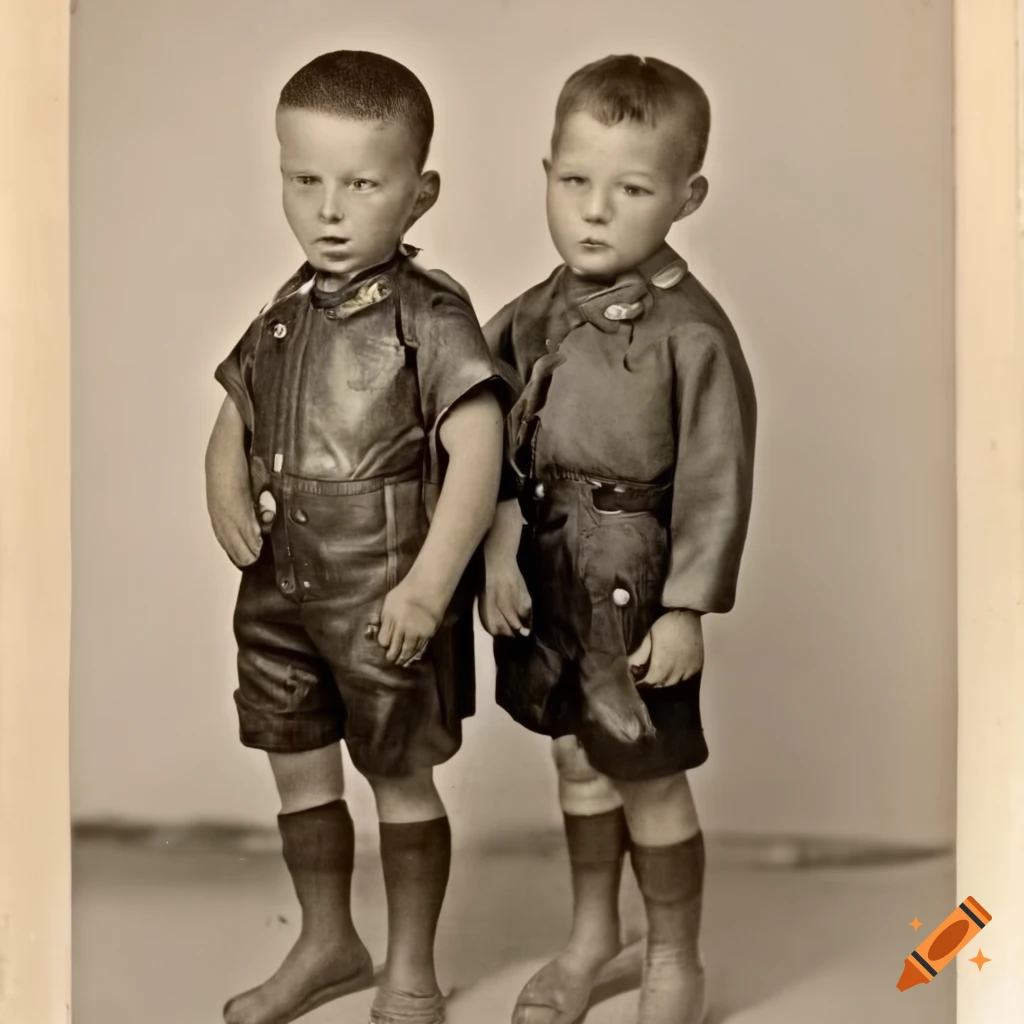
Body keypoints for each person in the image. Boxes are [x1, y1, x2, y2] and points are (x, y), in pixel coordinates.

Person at [205, 49, 507, 1024]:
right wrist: (221, 482)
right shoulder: (286, 309)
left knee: (397, 774)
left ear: (420, 193)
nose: (328, 211)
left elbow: (479, 451)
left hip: (385, 596)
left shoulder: (430, 315)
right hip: (280, 593)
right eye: (304, 181)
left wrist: (428, 588)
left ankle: (410, 964)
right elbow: (236, 412)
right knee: (296, 761)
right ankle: (327, 940)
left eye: (361, 185)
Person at [479, 54, 757, 1024]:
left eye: (631, 189)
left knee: (647, 770)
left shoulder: (694, 334)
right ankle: (593, 936)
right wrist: (499, 533)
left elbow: (717, 480)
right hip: (549, 563)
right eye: (574, 181)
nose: (594, 211)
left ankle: (673, 956)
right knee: (575, 757)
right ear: (546, 173)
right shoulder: (529, 315)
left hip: (635, 575)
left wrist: (686, 608)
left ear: (687, 197)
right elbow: (482, 424)